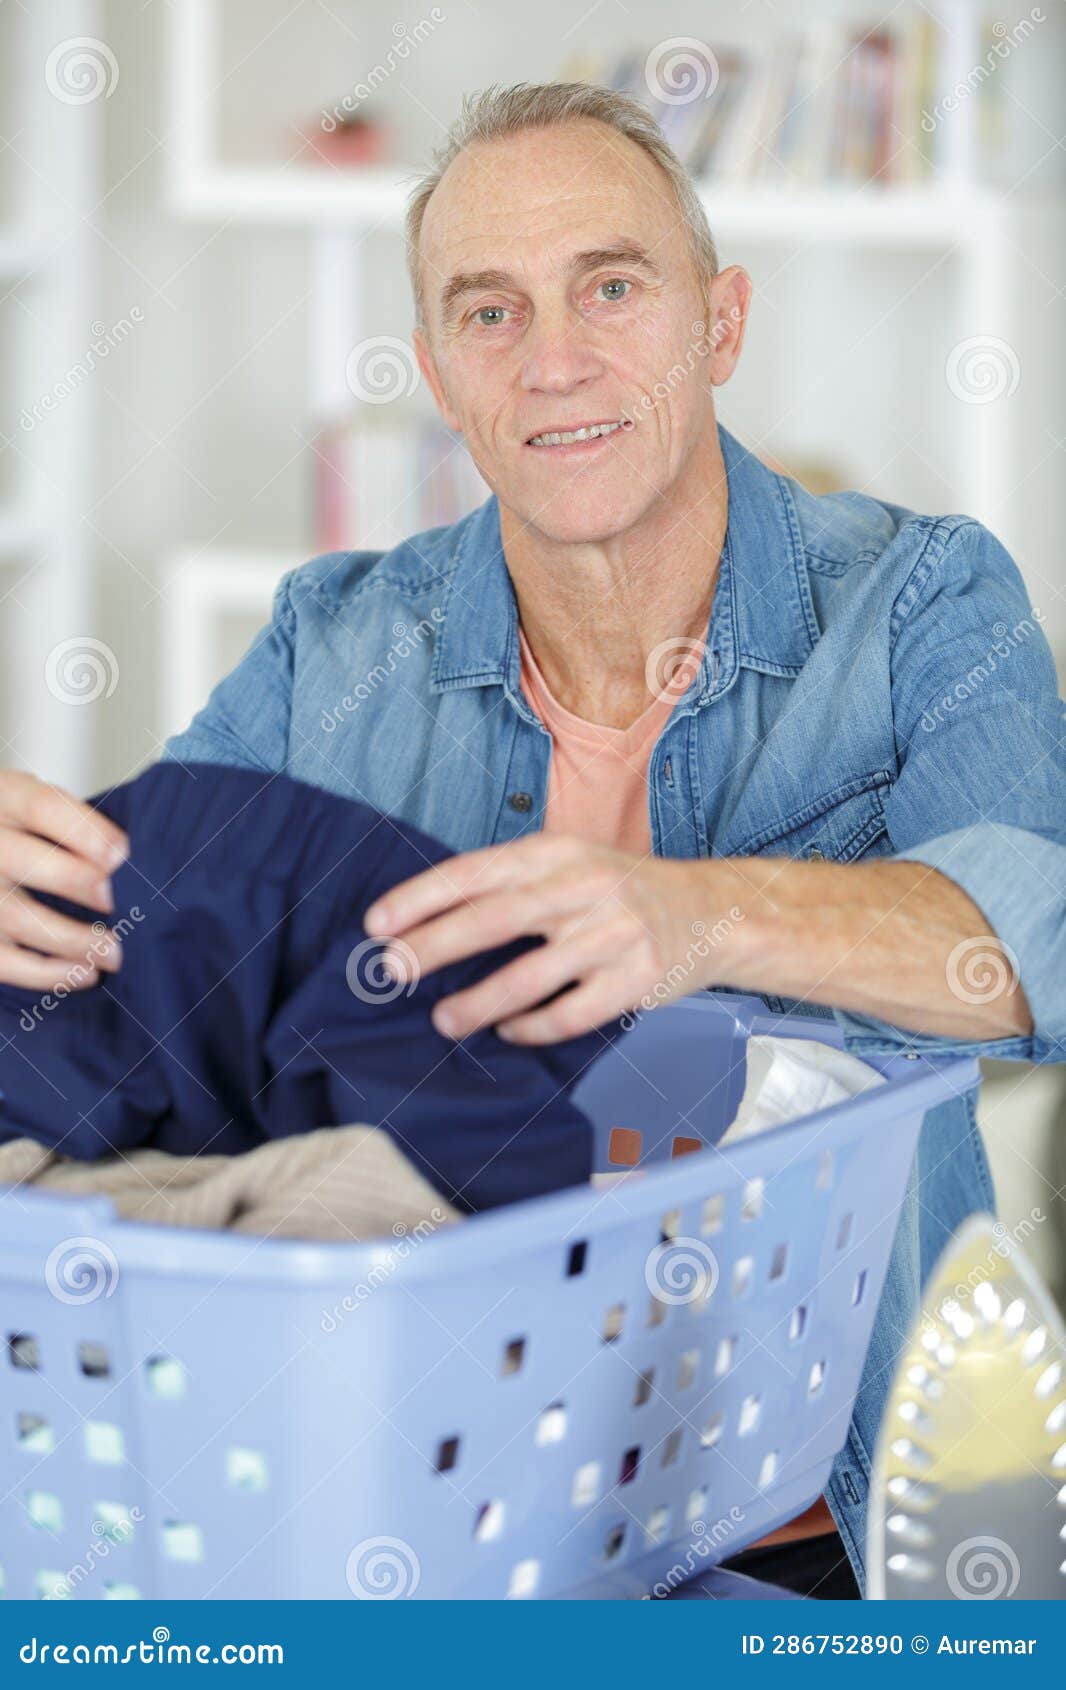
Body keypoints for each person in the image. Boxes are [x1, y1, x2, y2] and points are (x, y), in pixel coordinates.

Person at [0, 83, 1062, 1597]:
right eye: (487, 313)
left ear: (720, 321)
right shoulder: (334, 643)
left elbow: (1040, 947)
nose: (553, 359)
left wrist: (692, 917)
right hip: (436, 1517)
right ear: (437, 373)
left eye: (610, 287)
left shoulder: (918, 605)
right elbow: (148, 959)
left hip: (812, 1511)